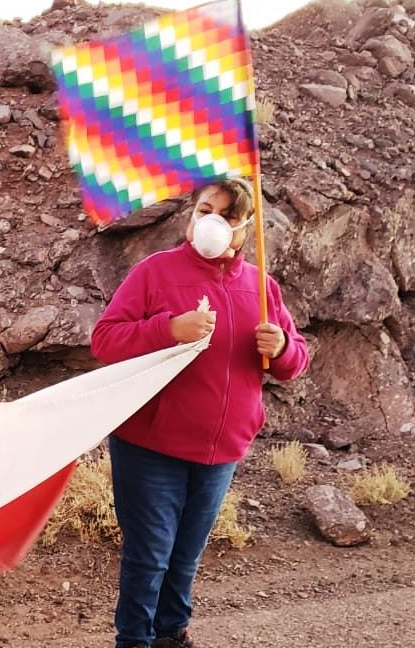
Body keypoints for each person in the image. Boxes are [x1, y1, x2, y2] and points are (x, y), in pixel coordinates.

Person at [89, 177, 310, 648]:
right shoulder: (154, 272)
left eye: (228, 215)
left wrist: (285, 347)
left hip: (221, 450)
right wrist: (169, 328)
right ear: (191, 216)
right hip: (150, 445)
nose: (214, 221)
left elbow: (294, 363)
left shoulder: (262, 286)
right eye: (206, 209)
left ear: (244, 228)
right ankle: (133, 641)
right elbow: (105, 340)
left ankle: (172, 636)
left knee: (186, 555)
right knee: (149, 556)